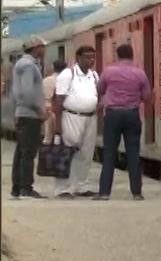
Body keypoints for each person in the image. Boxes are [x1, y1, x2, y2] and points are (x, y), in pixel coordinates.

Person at [94, 43, 151, 201]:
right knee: (133, 154)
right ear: (132, 55)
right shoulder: (140, 73)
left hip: (112, 115)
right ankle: (137, 193)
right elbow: (147, 97)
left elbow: (99, 90)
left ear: (117, 55)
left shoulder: (108, 72)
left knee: (109, 154)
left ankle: (104, 193)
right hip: (132, 115)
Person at [50, 46, 101, 199]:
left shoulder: (94, 75)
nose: (91, 60)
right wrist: (58, 126)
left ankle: (81, 185)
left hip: (90, 117)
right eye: (87, 57)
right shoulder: (68, 74)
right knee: (67, 152)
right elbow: (58, 100)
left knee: (86, 153)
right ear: (78, 58)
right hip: (71, 116)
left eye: (93, 57)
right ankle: (62, 188)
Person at [9, 38, 47, 199]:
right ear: (35, 48)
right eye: (42, 47)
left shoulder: (22, 64)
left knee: (21, 152)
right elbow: (27, 92)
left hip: (24, 113)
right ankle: (26, 187)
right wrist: (39, 110)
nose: (44, 50)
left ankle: (17, 187)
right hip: (30, 114)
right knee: (28, 153)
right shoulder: (29, 66)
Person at [40, 60, 66, 143]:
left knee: (47, 135)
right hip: (60, 110)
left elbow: (41, 95)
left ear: (53, 68)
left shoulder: (45, 81)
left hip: (47, 108)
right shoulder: (65, 81)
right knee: (59, 135)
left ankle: (46, 149)